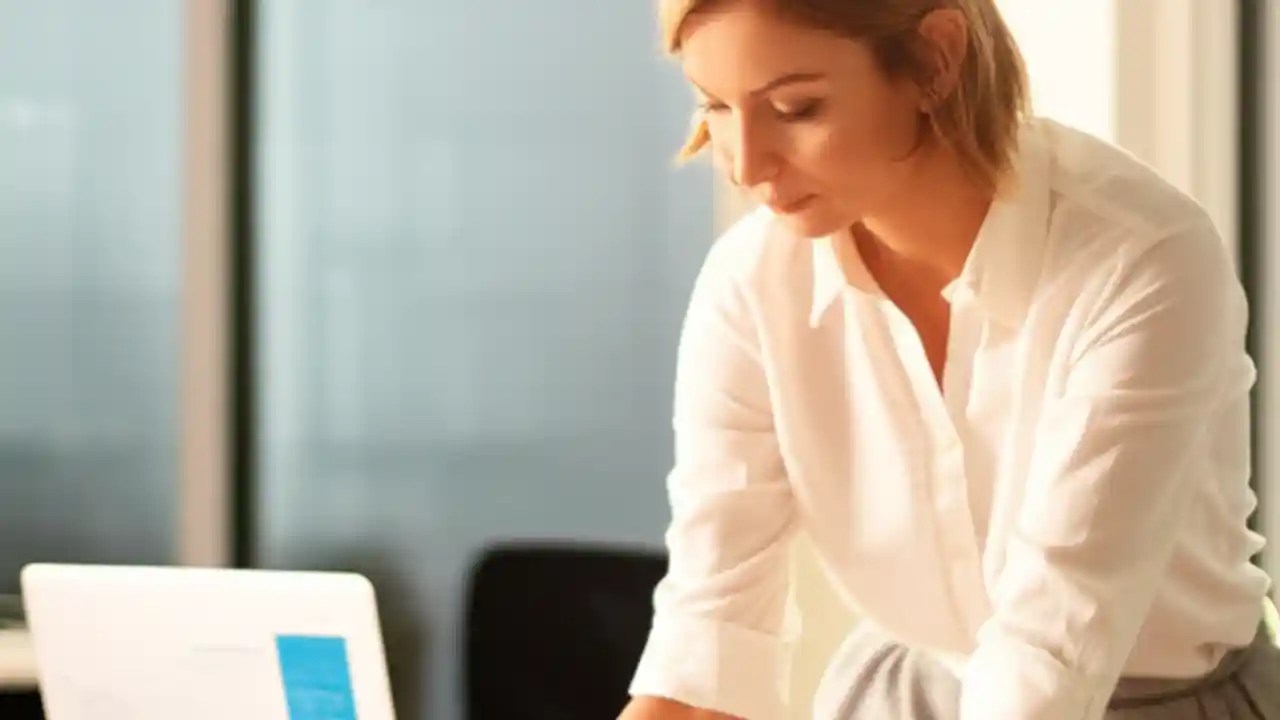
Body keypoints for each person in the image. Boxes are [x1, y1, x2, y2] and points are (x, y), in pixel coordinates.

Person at [617, 1, 1280, 719]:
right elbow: (710, 628)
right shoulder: (751, 284)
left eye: (796, 108)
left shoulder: (1141, 262)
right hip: (908, 694)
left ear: (935, 59)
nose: (746, 164)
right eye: (715, 106)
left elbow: (1050, 648)